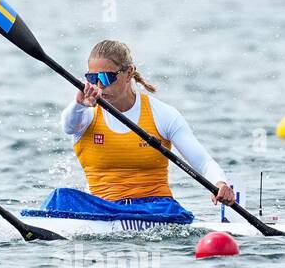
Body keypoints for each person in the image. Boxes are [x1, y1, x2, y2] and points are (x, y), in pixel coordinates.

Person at [63, 39, 235, 209]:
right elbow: (68, 127)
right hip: (104, 208)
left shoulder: (162, 114)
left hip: (155, 209)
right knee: (61, 197)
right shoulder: (84, 113)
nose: (99, 85)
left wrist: (219, 183)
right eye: (92, 78)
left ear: (129, 73)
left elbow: (203, 162)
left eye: (106, 77)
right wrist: (78, 105)